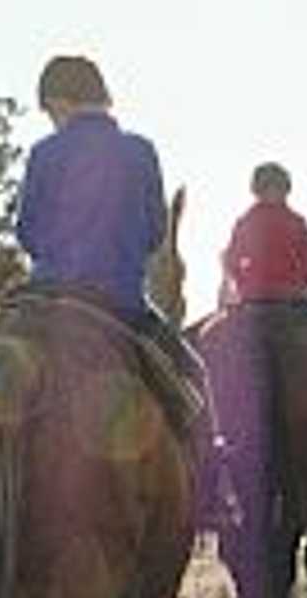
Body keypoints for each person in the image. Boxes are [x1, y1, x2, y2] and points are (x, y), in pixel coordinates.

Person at [14, 54, 198, 382]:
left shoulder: (44, 152)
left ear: (58, 102)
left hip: (46, 300)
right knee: (195, 379)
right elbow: (156, 232)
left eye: (50, 113)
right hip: (121, 301)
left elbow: (27, 231)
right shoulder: (140, 151)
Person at [219, 162, 307, 309]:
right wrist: (301, 285)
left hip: (258, 296)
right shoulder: (296, 221)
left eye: (275, 187)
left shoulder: (247, 221)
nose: (272, 192)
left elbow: (231, 260)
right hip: (287, 296)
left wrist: (243, 284)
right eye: (268, 187)